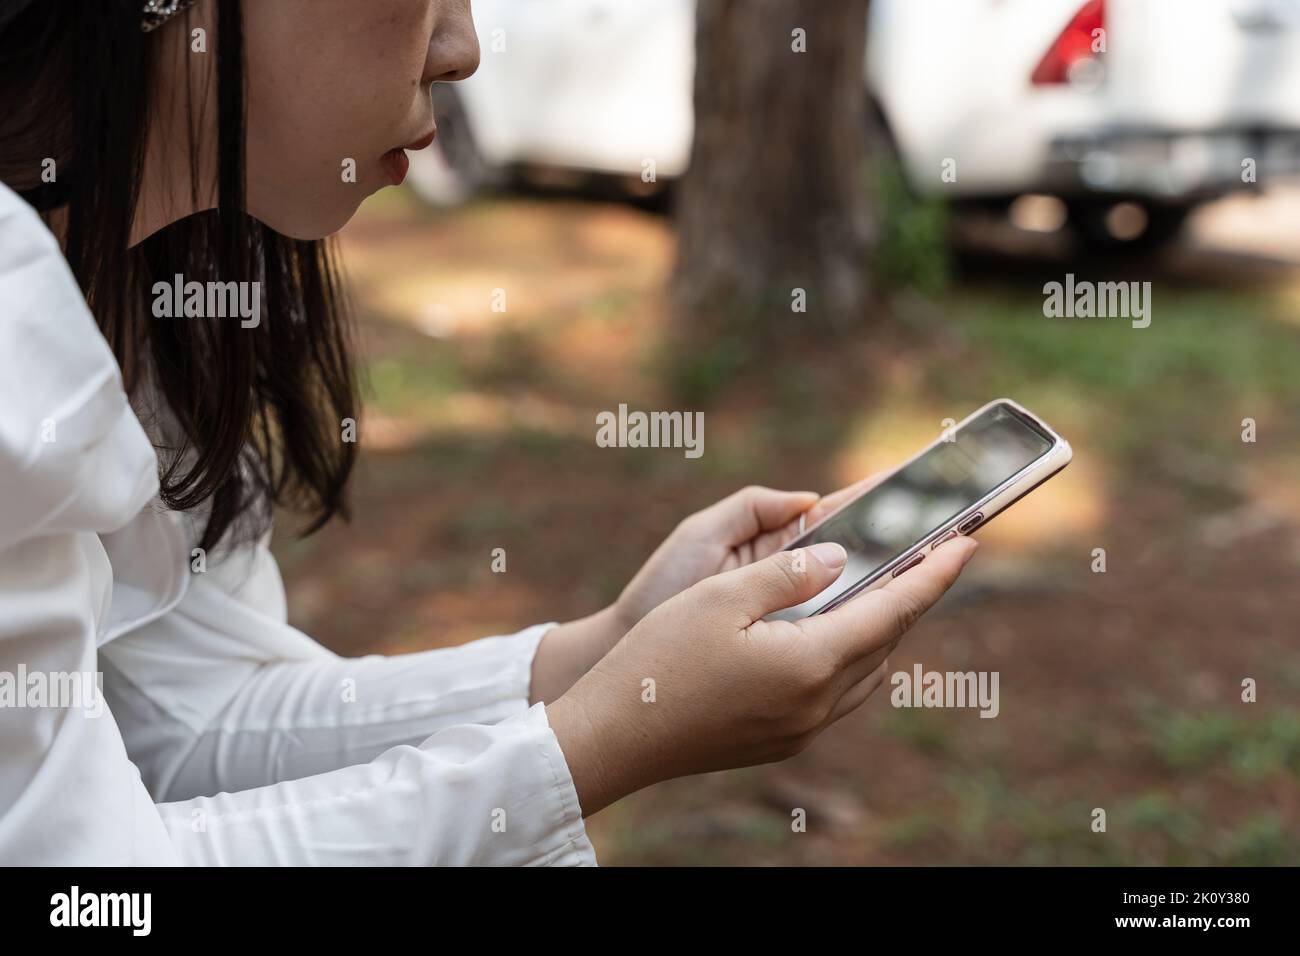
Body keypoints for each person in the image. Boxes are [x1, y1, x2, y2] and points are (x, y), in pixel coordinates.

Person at [0, 0, 977, 865]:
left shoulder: (129, 289)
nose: (462, 48)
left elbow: (190, 728)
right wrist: (597, 743)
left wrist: (608, 650)